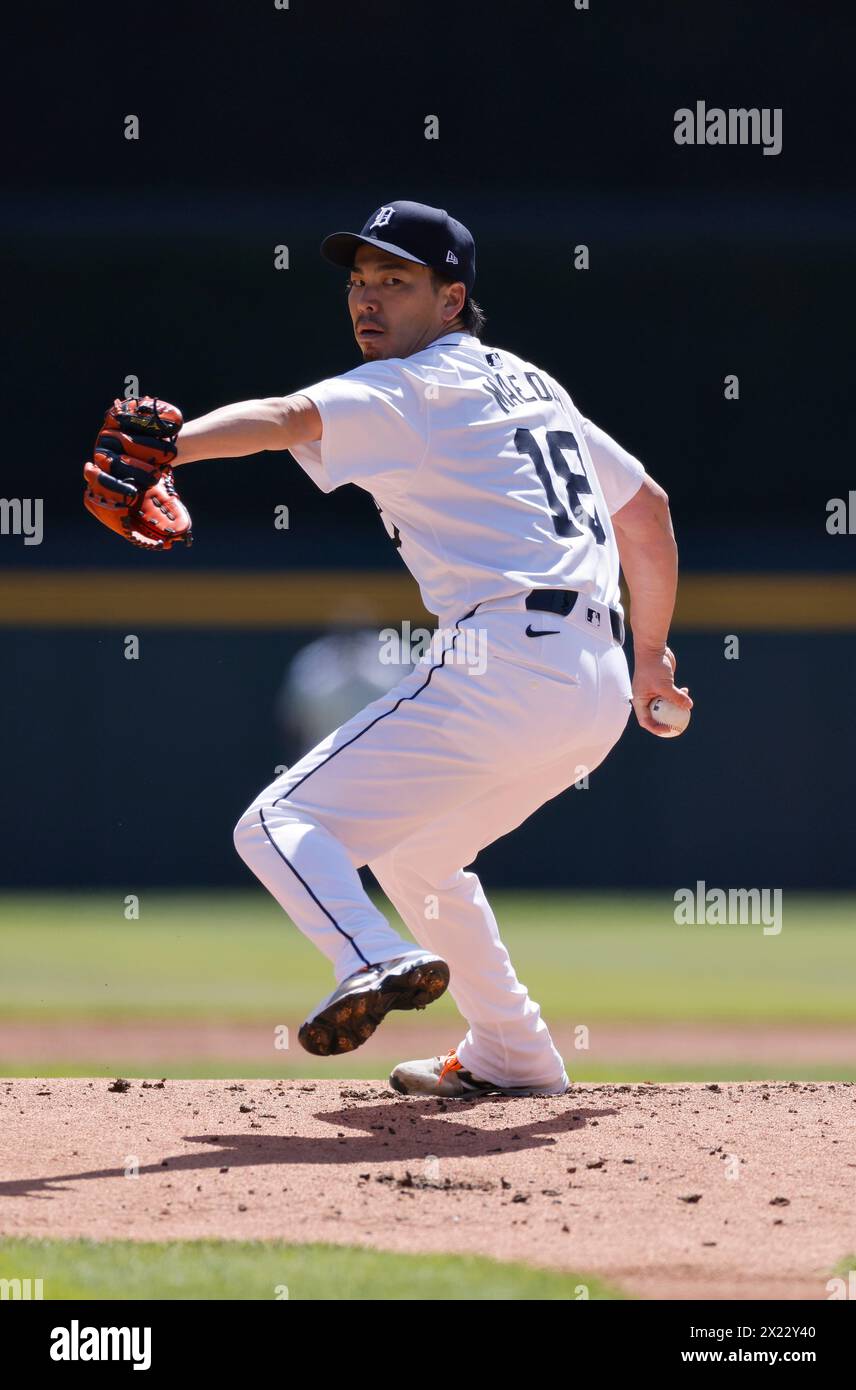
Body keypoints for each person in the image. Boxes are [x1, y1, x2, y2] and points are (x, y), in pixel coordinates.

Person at [171, 199, 693, 1098]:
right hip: (595, 686)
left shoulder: (409, 387)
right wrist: (650, 658)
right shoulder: (535, 386)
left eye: (396, 282)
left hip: (505, 659)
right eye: (359, 283)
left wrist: (164, 450)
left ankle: (372, 957)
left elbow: (285, 416)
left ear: (451, 300)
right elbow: (646, 509)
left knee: (276, 824)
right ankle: (515, 1053)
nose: (368, 301)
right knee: (416, 855)